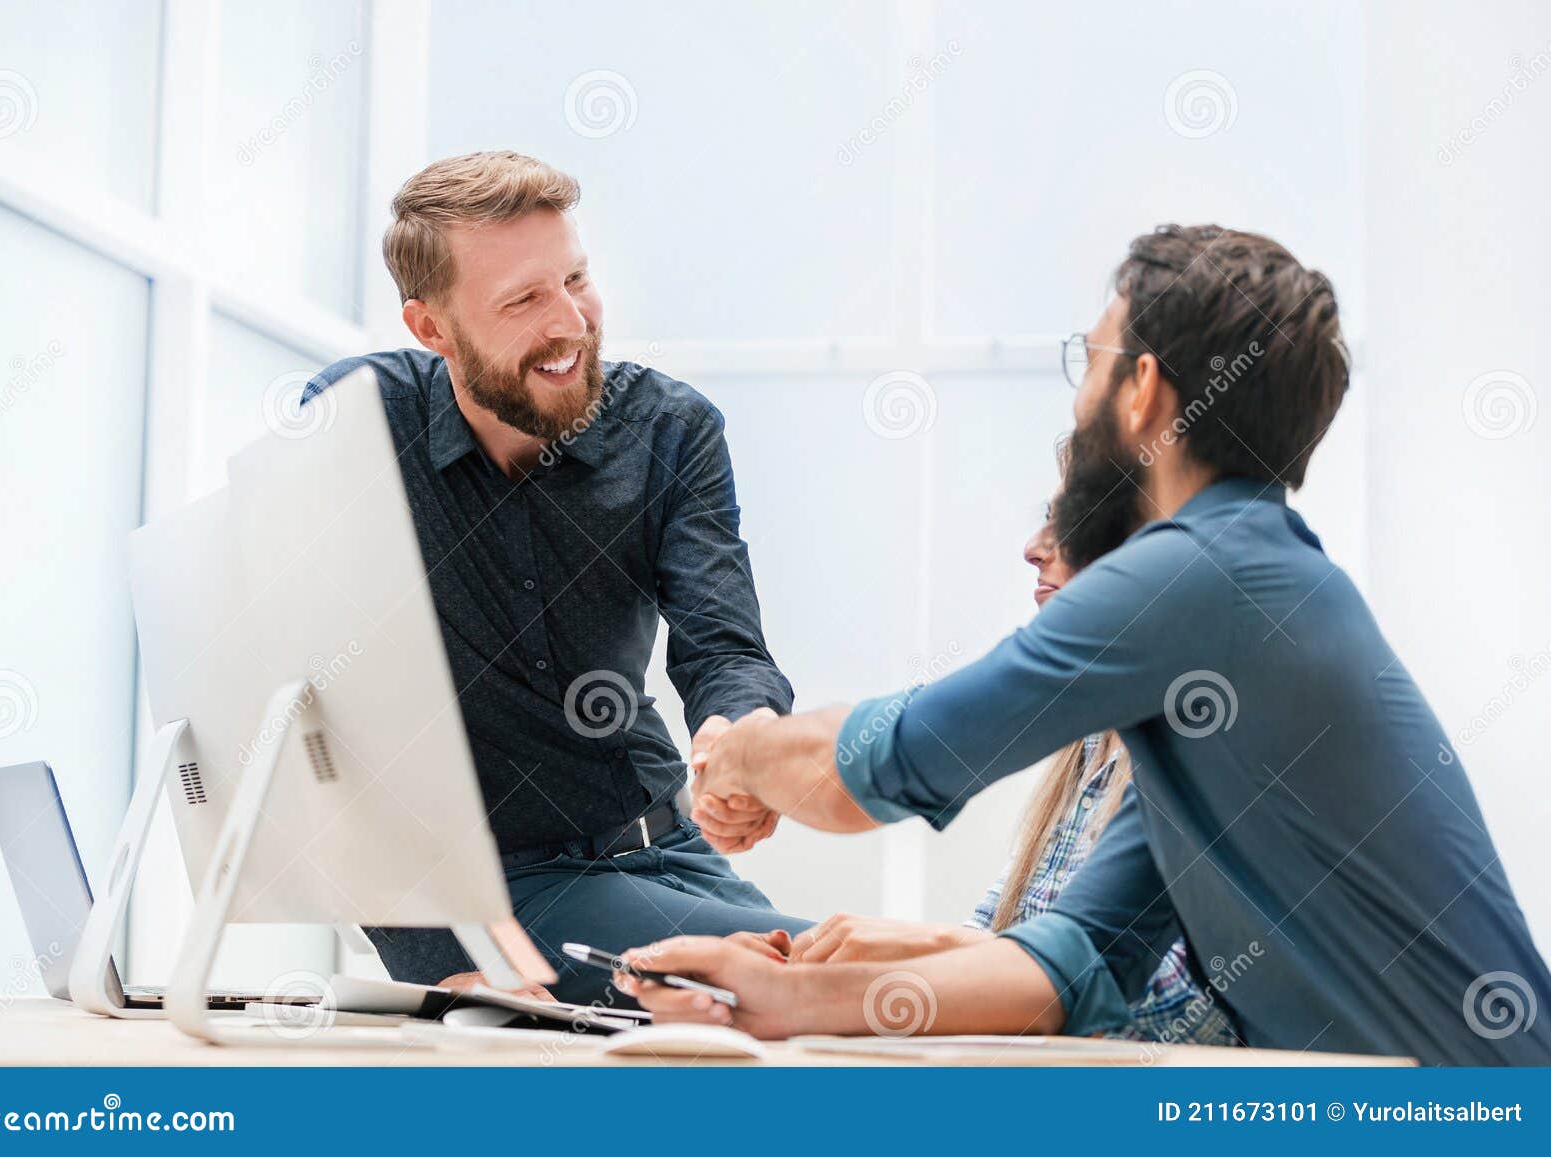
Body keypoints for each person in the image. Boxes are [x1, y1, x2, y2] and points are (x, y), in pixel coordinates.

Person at [626, 225, 1551, 1065]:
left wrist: (738, 747)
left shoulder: (1200, 575)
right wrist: (780, 1000)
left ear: (1143, 388)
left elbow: (882, 765)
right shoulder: (1229, 621)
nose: (1081, 402)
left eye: (1091, 360)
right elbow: (1077, 958)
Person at [301, 151, 809, 1002]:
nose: (571, 321)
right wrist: (437, 960)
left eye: (576, 278)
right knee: (852, 976)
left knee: (831, 979)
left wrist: (739, 739)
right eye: (524, 299)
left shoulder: (671, 430)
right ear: (431, 329)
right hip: (503, 891)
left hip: (668, 847)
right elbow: (316, 711)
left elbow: (724, 647)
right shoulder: (354, 424)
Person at [742, 465, 1236, 1048]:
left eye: (1071, 519)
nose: (1033, 549)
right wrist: (833, 967)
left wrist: (926, 948)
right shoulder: (1088, 742)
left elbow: (1188, 1007)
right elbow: (1002, 928)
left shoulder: (1204, 736)